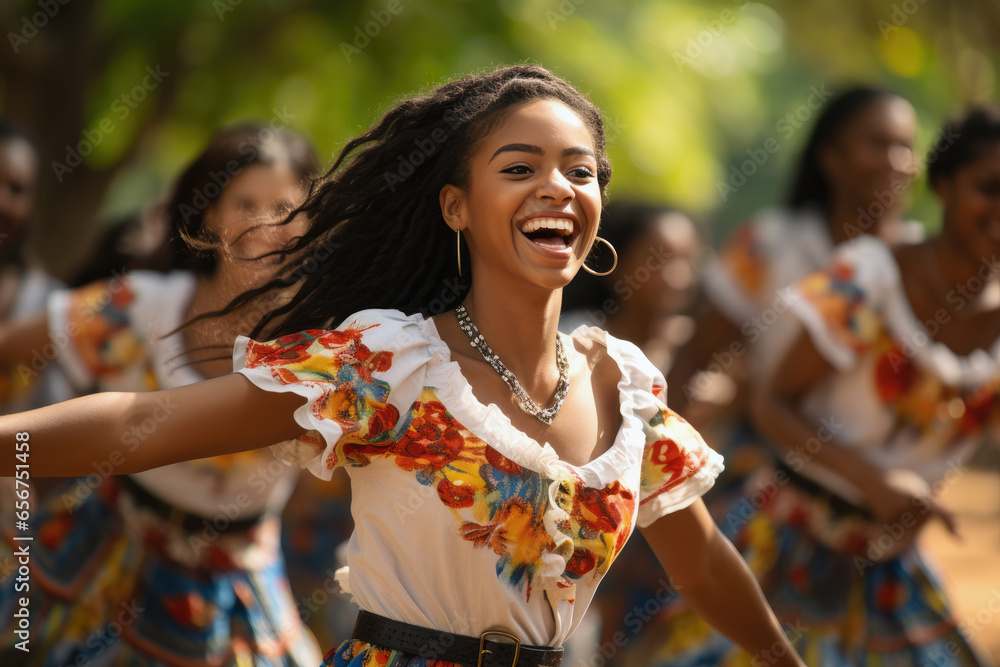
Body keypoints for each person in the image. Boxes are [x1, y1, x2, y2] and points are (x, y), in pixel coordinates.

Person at [0, 65, 807, 667]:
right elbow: (143, 423)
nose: (557, 187)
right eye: (520, 167)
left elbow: (698, 560)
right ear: (456, 206)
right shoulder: (394, 362)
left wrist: (782, 660)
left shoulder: (625, 388)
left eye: (581, 169)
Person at [651, 107, 1000, 665]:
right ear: (944, 185)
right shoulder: (865, 274)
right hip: (782, 533)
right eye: (990, 187)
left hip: (886, 565)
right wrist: (877, 484)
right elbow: (770, 402)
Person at [0, 123, 324, 665]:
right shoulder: (137, 306)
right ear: (210, 212)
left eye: (286, 210)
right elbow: (11, 348)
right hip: (97, 549)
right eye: (246, 203)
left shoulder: (322, 346)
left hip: (237, 588)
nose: (267, 227)